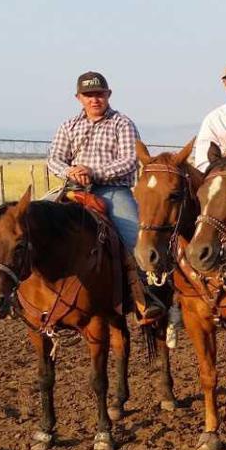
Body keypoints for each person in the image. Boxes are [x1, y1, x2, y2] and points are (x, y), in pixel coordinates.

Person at [46, 70, 163, 322]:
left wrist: (93, 172)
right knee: (31, 220)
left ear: (108, 95)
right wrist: (70, 171)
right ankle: (21, 289)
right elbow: (54, 159)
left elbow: (130, 161)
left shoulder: (122, 123)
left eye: (99, 94)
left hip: (112, 190)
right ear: (78, 98)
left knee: (134, 236)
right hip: (72, 188)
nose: (94, 99)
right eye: (88, 95)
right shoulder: (69, 126)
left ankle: (146, 296)